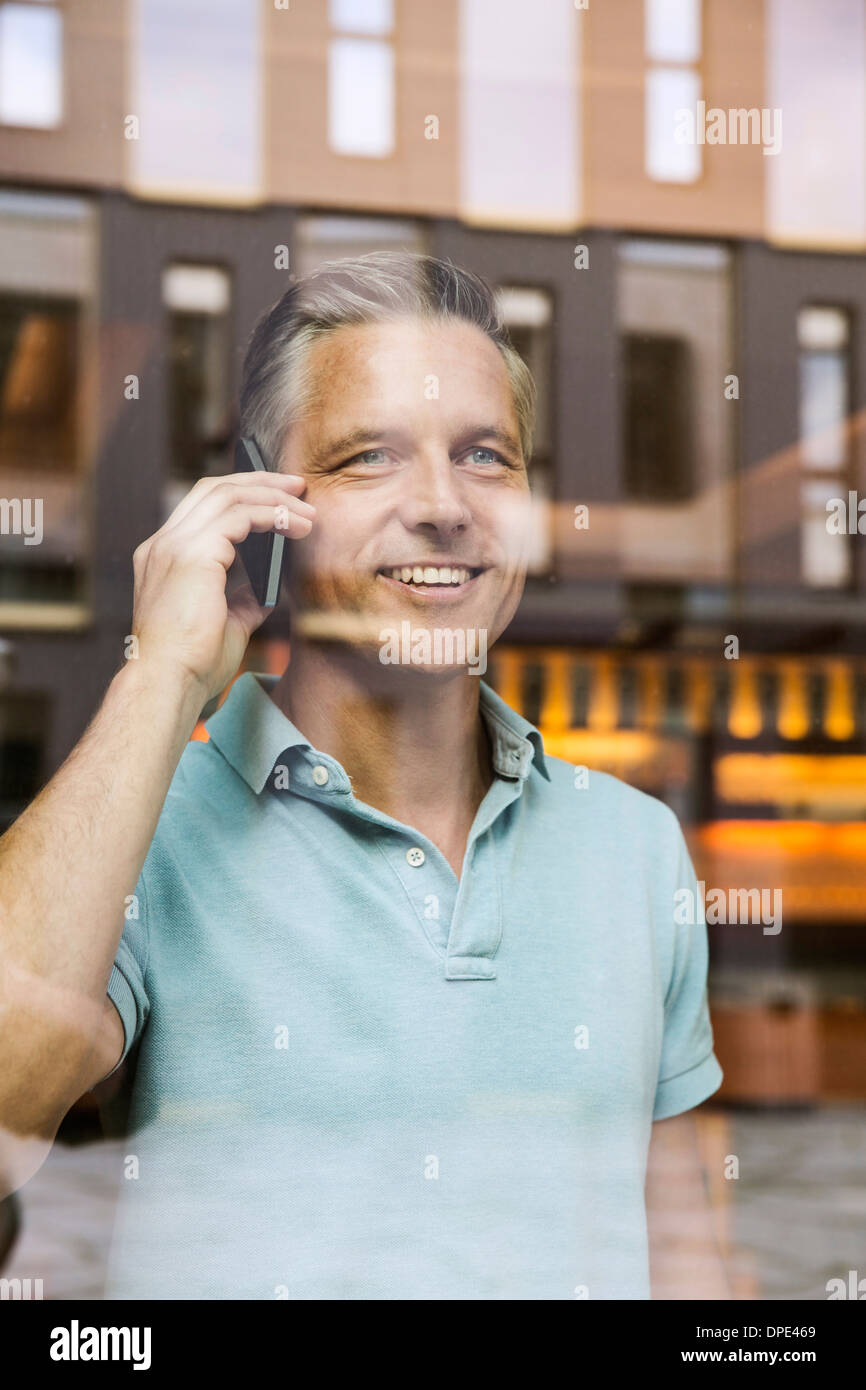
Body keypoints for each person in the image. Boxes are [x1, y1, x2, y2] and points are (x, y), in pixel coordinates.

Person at [0, 252, 727, 1299]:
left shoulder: (635, 844)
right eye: (368, 457)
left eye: (484, 454)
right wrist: (162, 671)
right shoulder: (144, 828)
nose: (442, 506)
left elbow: (682, 1256)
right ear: (264, 506)